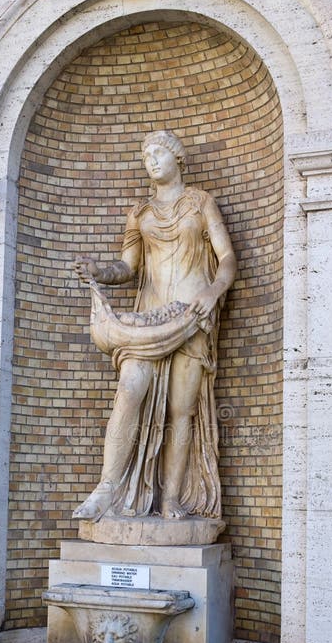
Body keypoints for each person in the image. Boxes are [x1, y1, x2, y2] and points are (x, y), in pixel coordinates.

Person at [73, 130, 236, 522]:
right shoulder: (140, 213)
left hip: (193, 314)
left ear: (178, 159)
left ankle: (172, 498)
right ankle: (106, 489)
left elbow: (228, 256)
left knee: (182, 410)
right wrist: (100, 271)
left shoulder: (200, 203)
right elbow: (128, 267)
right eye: (146, 156)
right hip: (148, 318)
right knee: (130, 388)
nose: (152, 161)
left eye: (159, 153)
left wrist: (214, 291)